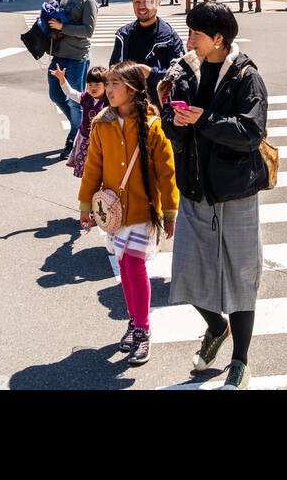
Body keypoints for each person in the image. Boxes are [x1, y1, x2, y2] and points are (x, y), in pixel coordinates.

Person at [159, 2, 268, 391]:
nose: (189, 41)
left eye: (196, 35)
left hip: (236, 191)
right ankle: (216, 327)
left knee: (241, 277)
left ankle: (240, 360)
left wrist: (202, 118)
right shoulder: (186, 70)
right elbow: (175, 130)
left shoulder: (246, 77)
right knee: (186, 274)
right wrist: (170, 113)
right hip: (193, 188)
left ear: (218, 39)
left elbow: (251, 132)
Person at [79, 62, 178, 366]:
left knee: (134, 266)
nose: (108, 89)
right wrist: (85, 207)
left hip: (144, 211)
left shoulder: (151, 125)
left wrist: (170, 210)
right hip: (114, 213)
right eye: (107, 83)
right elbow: (92, 167)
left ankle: (143, 330)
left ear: (133, 90)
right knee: (123, 267)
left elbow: (166, 170)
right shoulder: (101, 124)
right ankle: (134, 322)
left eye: (115, 84)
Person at [47, 0, 98, 154]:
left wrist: (63, 27)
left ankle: (74, 139)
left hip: (77, 57)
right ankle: (84, 126)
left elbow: (88, 30)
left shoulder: (89, 0)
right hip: (59, 53)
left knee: (75, 101)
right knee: (56, 94)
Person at [109, 0, 185, 107]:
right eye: (137, 1)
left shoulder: (170, 38)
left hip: (157, 111)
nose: (141, 6)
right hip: (126, 109)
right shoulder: (123, 35)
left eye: (148, 1)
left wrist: (151, 73)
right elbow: (112, 71)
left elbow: (180, 75)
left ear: (158, 2)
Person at [51, 64, 107, 175]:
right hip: (85, 138)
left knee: (100, 168)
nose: (93, 88)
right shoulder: (86, 98)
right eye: (90, 85)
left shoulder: (108, 101)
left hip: (101, 141)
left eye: (97, 84)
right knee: (87, 170)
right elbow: (70, 93)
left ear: (106, 86)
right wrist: (62, 79)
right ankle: (88, 186)